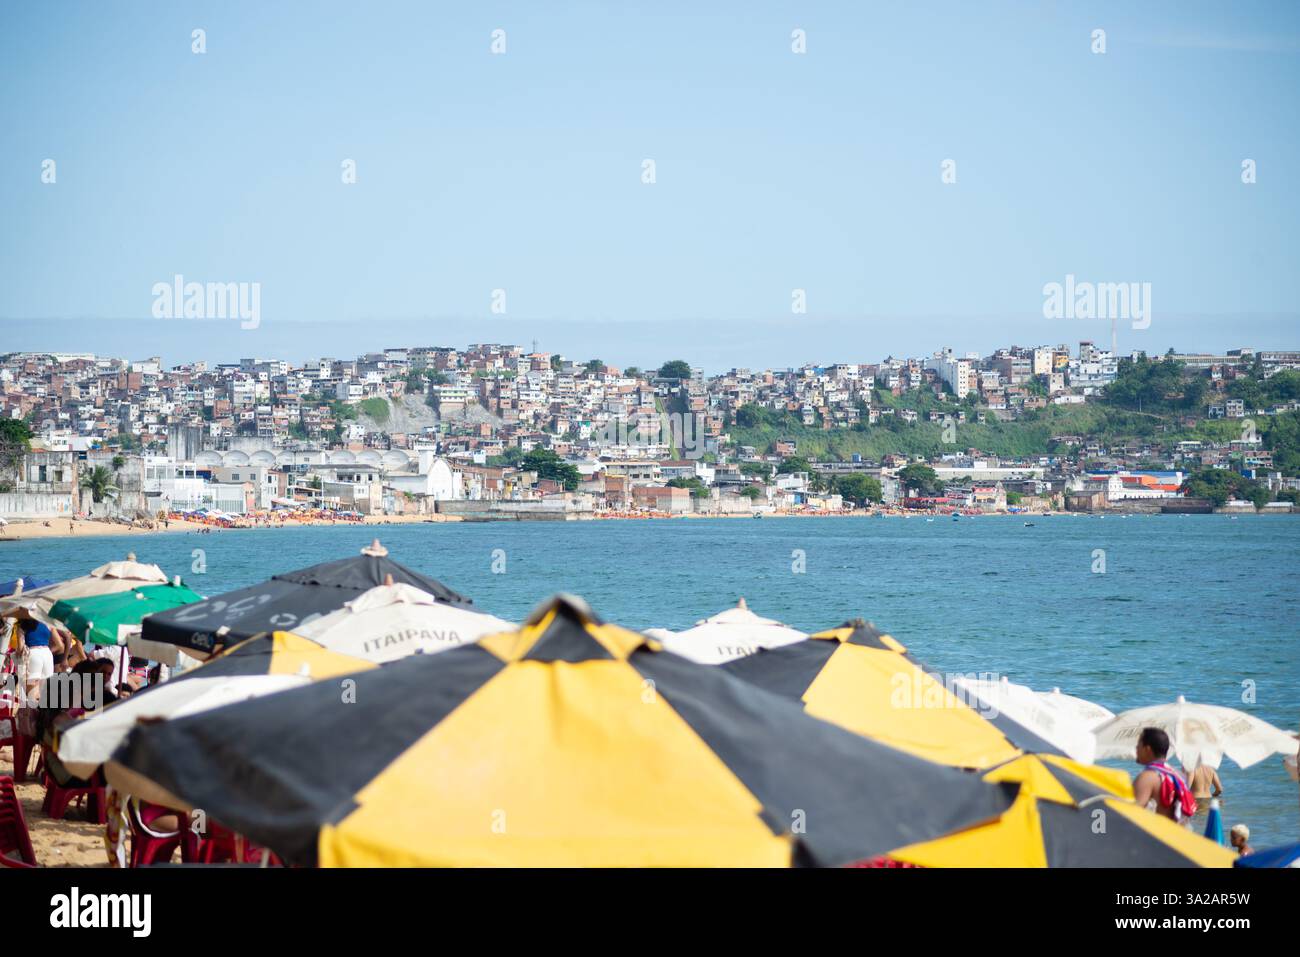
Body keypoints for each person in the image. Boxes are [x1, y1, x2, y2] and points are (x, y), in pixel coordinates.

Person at [1133, 727, 1195, 823]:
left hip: (1155, 834)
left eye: (1138, 744)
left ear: (1147, 749)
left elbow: (1133, 814)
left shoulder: (1147, 777)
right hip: (1177, 834)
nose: (1136, 748)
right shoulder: (1179, 776)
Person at [16, 617, 56, 703]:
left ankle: (32, 714)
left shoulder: (22, 626)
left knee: (32, 693)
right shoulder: (47, 622)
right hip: (47, 654)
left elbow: (20, 648)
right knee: (46, 690)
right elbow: (58, 643)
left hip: (33, 654)